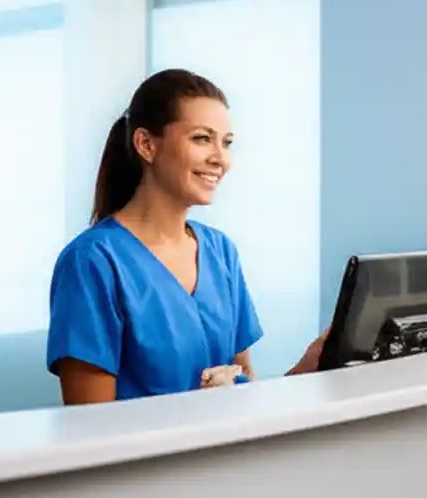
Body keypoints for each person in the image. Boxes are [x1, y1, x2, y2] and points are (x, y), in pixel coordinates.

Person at [46, 68, 326, 405]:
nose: (220, 159)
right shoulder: (92, 261)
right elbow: (89, 425)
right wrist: (199, 406)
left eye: (227, 143)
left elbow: (243, 389)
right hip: (150, 460)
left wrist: (308, 368)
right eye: (202, 138)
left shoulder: (220, 251)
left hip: (225, 457)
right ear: (146, 145)